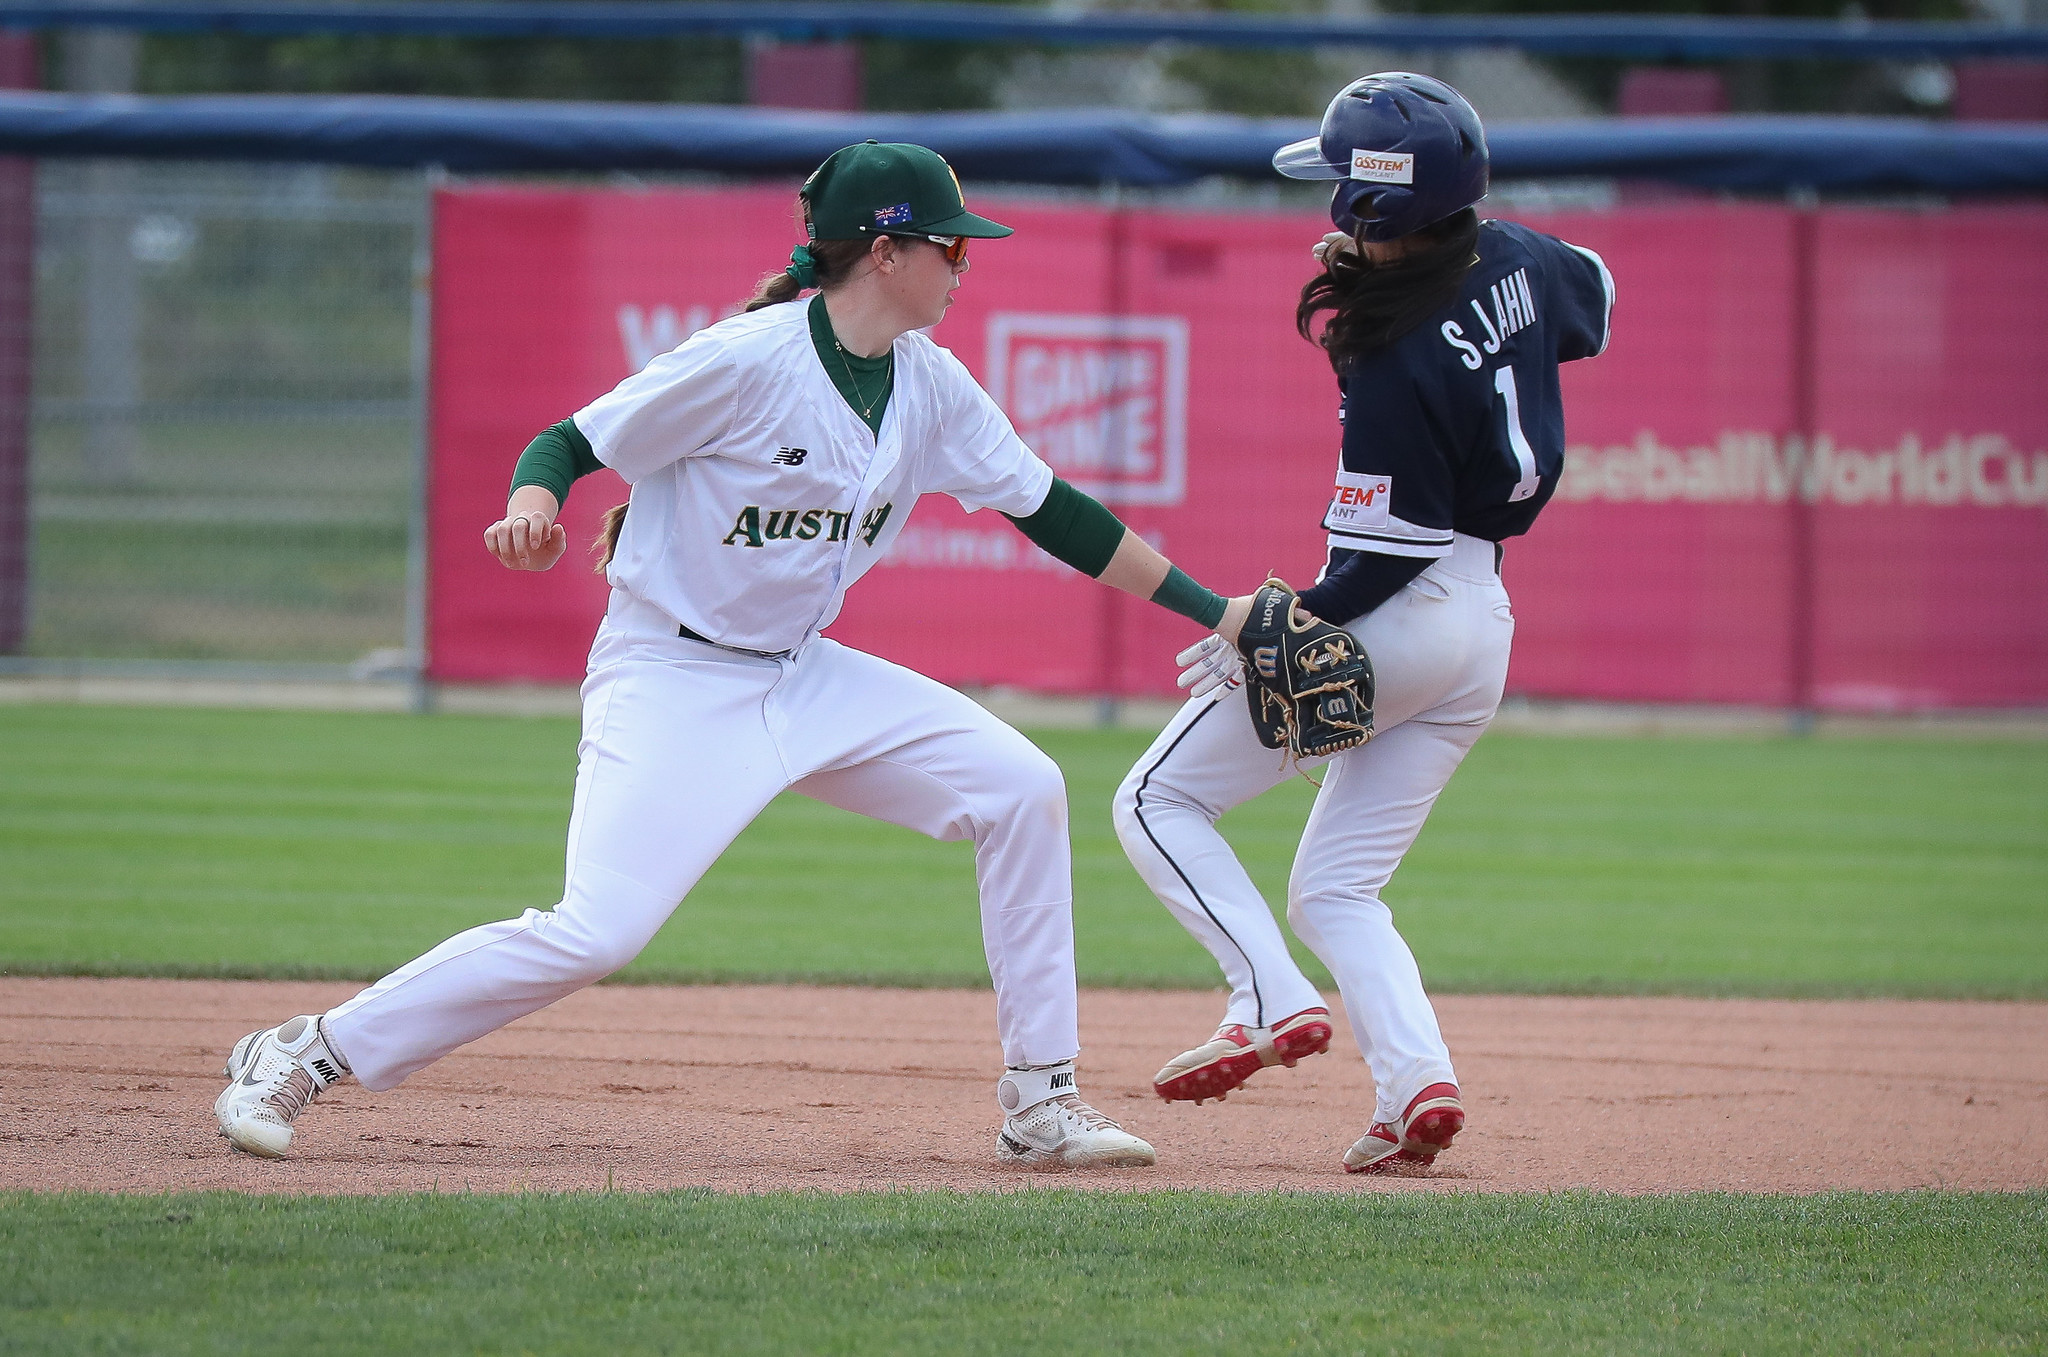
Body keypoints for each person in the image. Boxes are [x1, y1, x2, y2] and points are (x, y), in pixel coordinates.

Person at [214, 140, 1259, 1170]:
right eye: (952, 246)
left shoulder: (927, 384)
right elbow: (568, 443)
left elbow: (1056, 515)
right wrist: (532, 505)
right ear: (886, 253)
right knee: (596, 932)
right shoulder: (746, 357)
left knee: (1021, 787)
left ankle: (1040, 1101)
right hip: (670, 674)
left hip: (802, 672)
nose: (963, 265)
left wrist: (1220, 615)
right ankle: (308, 1049)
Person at [1112, 74, 1614, 1173]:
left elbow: (1383, 554)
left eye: (1342, 186)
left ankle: (1261, 998)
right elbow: (1598, 299)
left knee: (1154, 798)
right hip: (1482, 627)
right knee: (1335, 886)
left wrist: (1272, 622)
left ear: (1375, 210)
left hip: (1408, 608)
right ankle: (1413, 1087)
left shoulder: (1392, 352)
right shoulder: (1524, 257)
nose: (1328, 204)